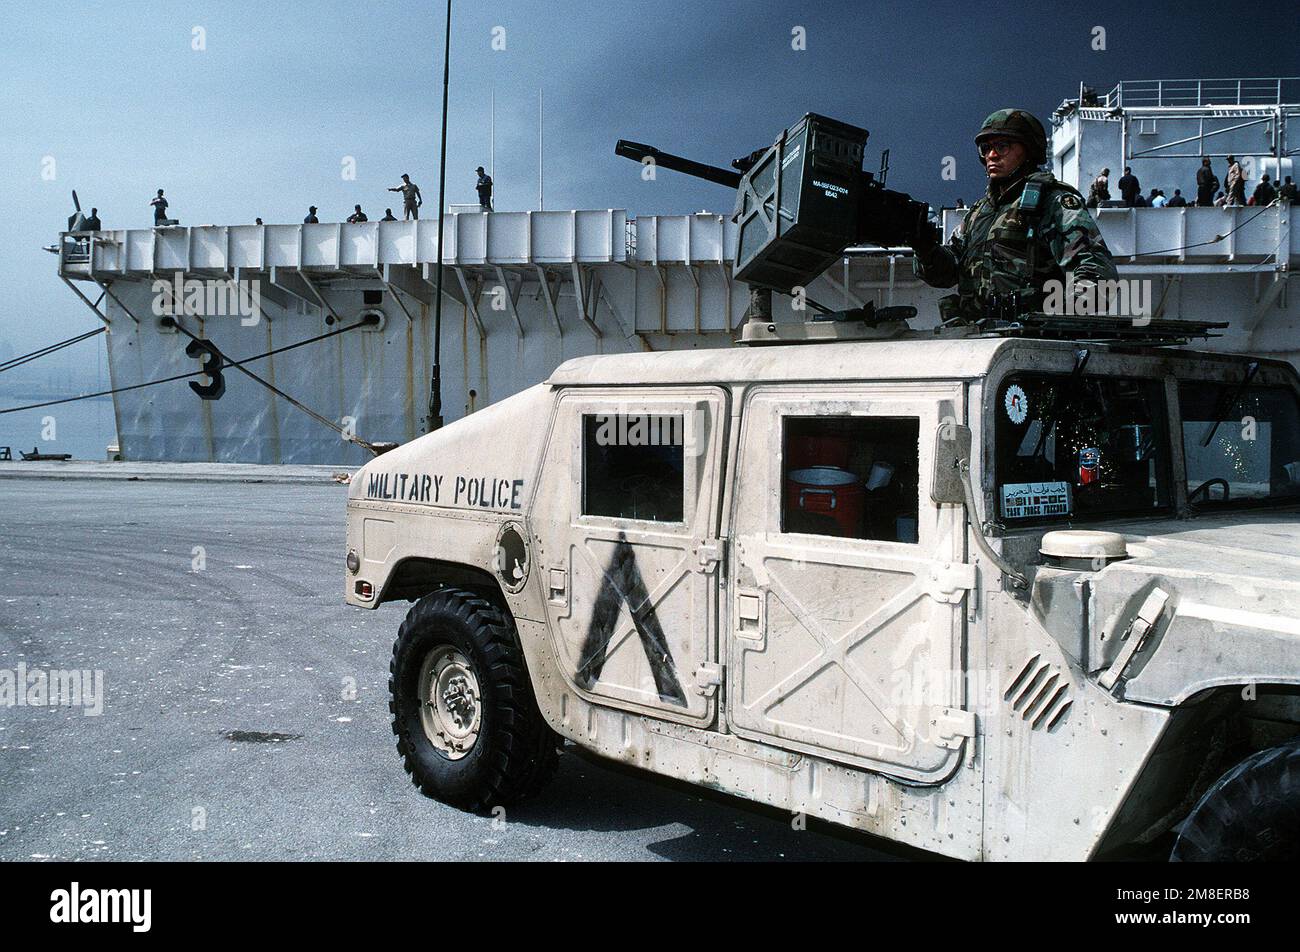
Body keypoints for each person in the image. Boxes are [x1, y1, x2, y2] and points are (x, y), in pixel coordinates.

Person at [911, 108, 1118, 323]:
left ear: (1028, 150)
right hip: (974, 340)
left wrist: (1051, 322)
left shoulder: (1053, 202)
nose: (991, 155)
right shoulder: (977, 214)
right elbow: (946, 274)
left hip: (1028, 344)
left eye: (1002, 146)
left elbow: (1098, 275)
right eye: (986, 148)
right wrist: (925, 248)